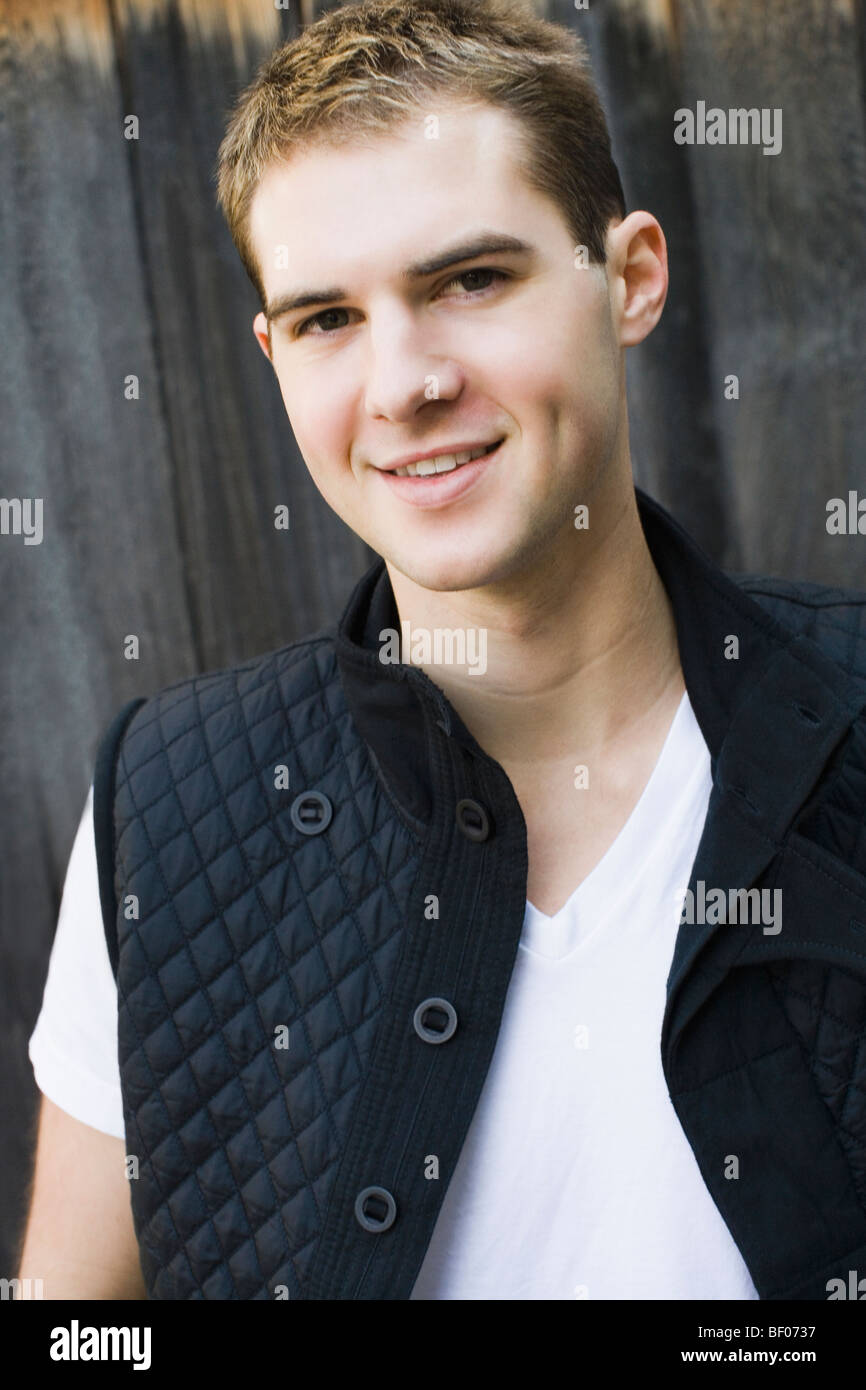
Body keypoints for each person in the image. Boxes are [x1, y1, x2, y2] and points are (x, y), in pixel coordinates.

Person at [18, 0, 866, 1301]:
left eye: (469, 280)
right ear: (274, 354)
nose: (403, 379)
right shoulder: (166, 810)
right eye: (325, 319)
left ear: (629, 274)